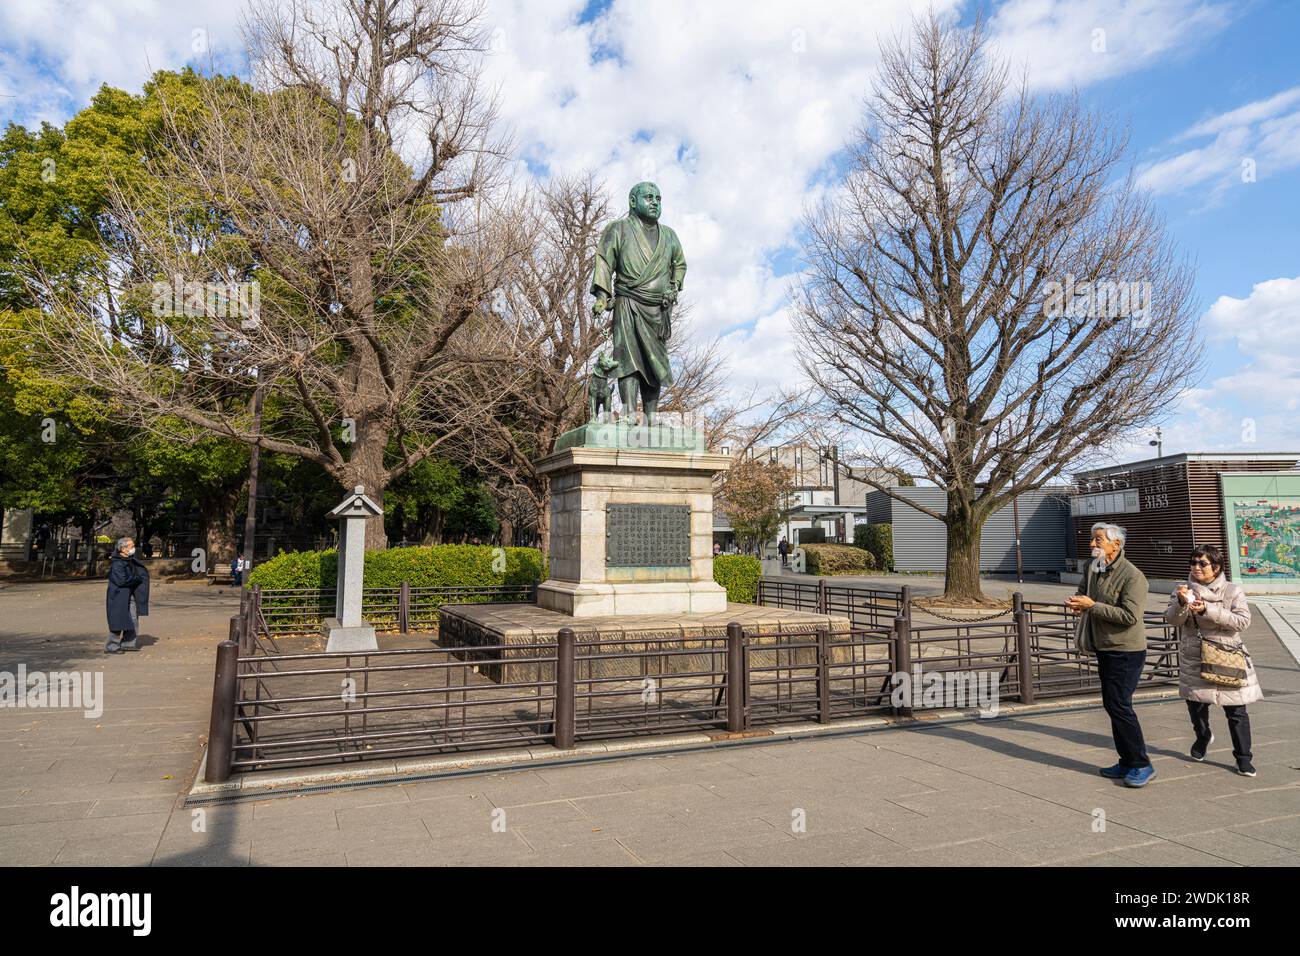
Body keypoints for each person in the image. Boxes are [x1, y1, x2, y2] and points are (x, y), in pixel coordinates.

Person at [1066, 522, 1154, 787]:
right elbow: (1084, 591)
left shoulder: (1133, 576)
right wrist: (1077, 602)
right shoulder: (1093, 567)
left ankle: (1141, 763)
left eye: (1098, 540)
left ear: (1116, 545)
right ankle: (1126, 760)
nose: (1092, 544)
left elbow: (1130, 616)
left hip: (1126, 650)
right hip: (1103, 646)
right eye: (1092, 540)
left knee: (1119, 705)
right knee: (1113, 704)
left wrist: (1092, 606)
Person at [1163, 545, 1261, 776]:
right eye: (1193, 562)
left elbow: (1242, 622)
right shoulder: (1183, 589)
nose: (1196, 567)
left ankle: (1243, 757)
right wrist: (1180, 603)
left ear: (1216, 567)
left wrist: (1208, 609)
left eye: (1202, 563)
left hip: (1227, 654)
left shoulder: (1232, 591)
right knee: (1196, 705)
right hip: (1194, 654)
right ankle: (1203, 736)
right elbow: (1172, 621)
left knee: (1236, 710)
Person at [105, 537, 149, 653]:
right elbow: (122, 580)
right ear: (123, 549)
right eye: (131, 546)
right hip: (118, 596)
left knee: (133, 618)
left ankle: (128, 643)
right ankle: (112, 646)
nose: (133, 548)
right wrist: (137, 579)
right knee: (118, 621)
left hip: (129, 594)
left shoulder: (130, 560)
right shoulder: (117, 564)